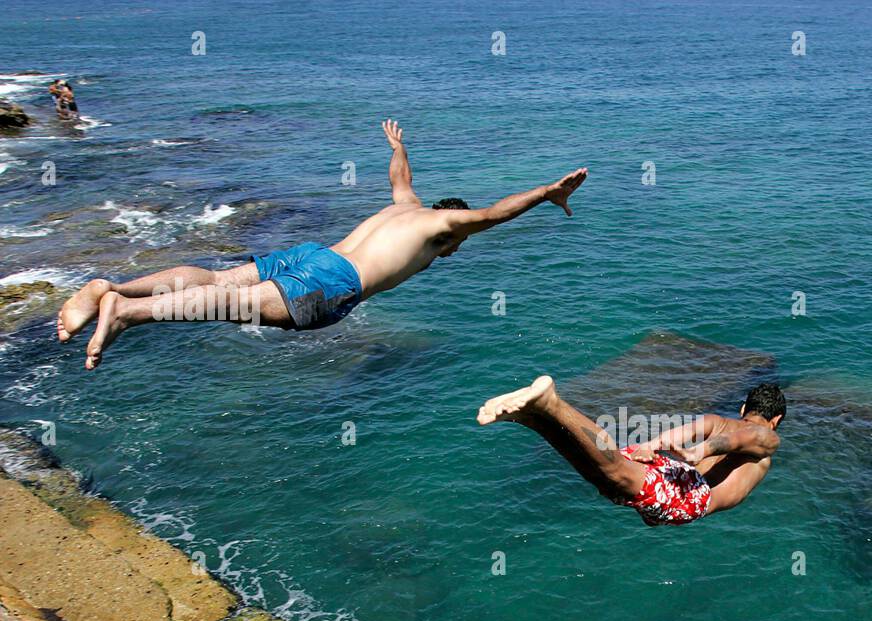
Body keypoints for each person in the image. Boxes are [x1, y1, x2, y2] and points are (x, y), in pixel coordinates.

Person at [56, 118, 587, 369]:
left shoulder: (406, 208)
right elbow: (495, 213)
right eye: (458, 241)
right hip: (332, 282)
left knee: (219, 281)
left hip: (314, 254)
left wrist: (398, 145)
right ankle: (125, 311)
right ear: (454, 227)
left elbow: (400, 178)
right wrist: (546, 192)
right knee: (228, 305)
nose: (454, 250)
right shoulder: (442, 229)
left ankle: (113, 286)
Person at [476, 377, 785, 526]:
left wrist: (650, 448)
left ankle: (531, 416)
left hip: (673, 472)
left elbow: (671, 436)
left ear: (743, 407)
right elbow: (753, 435)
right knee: (614, 474)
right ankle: (550, 404)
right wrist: (701, 451)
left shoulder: (716, 421)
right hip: (693, 492)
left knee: (602, 478)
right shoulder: (768, 442)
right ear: (777, 420)